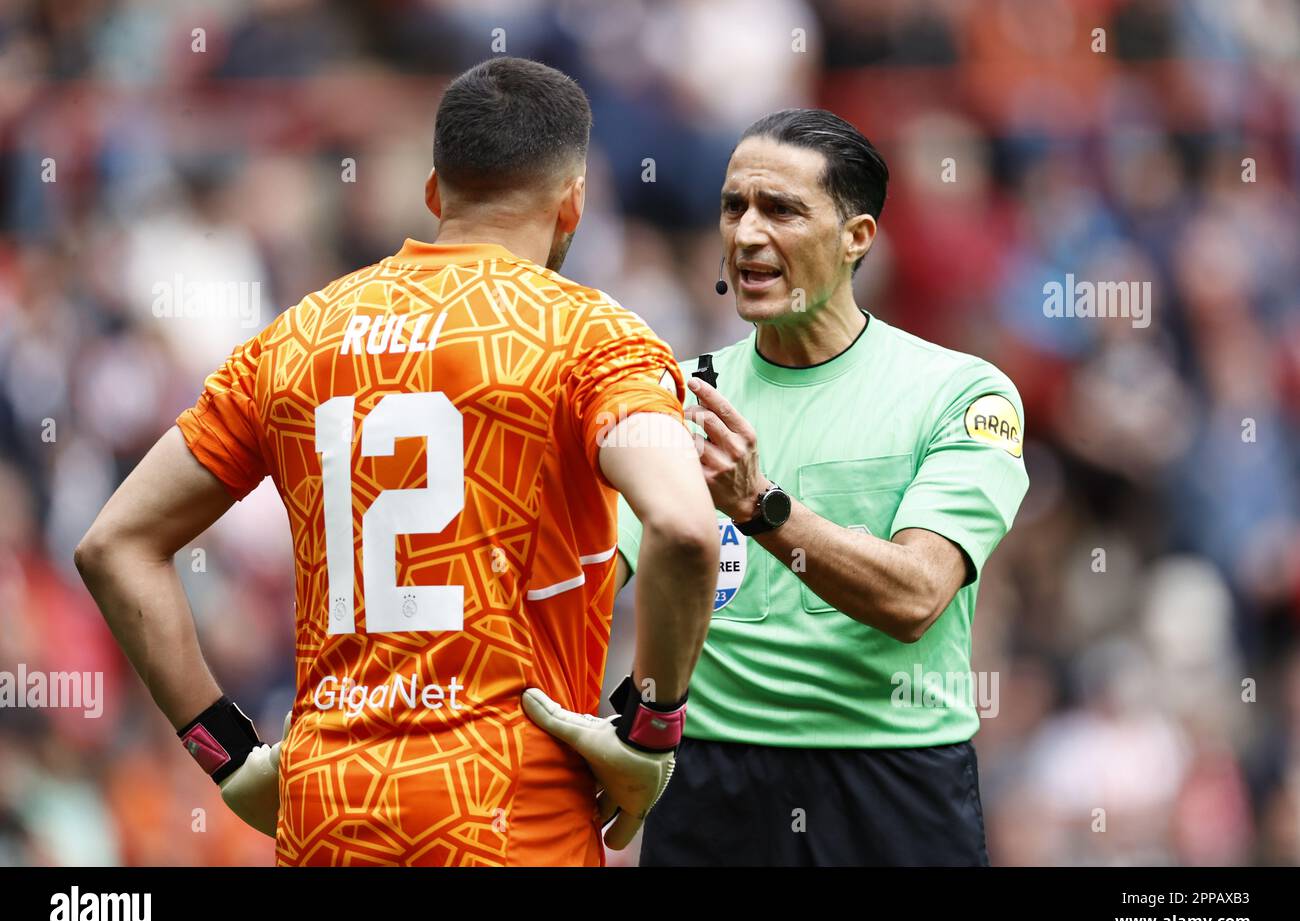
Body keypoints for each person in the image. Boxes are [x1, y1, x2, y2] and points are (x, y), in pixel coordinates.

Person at [74, 56, 718, 867]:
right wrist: (649, 728)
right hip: (510, 821)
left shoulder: (296, 337)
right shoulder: (593, 338)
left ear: (433, 192)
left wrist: (228, 753)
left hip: (329, 817)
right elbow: (686, 530)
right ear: (574, 203)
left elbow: (114, 545)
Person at [613, 108, 1030, 865]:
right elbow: (591, 573)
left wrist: (761, 506)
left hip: (892, 782)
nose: (745, 234)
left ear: (856, 238)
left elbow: (913, 599)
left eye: (781, 210)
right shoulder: (676, 395)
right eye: (733, 206)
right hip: (710, 782)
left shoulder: (963, 394)